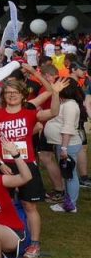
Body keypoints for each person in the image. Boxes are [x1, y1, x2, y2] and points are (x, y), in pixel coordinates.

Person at [0, 68, 60, 258]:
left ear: (23, 95)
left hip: (26, 163)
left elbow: (54, 111)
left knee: (29, 205)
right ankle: (4, 239)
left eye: (15, 92)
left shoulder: (30, 113)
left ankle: (34, 243)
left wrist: (54, 92)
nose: (11, 96)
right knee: (2, 204)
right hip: (4, 164)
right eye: (8, 93)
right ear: (3, 95)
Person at [44, 77, 83, 213]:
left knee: (70, 175)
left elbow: (68, 128)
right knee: (67, 175)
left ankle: (71, 205)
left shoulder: (70, 105)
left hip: (67, 145)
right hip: (63, 144)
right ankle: (68, 202)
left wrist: (64, 148)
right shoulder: (65, 103)